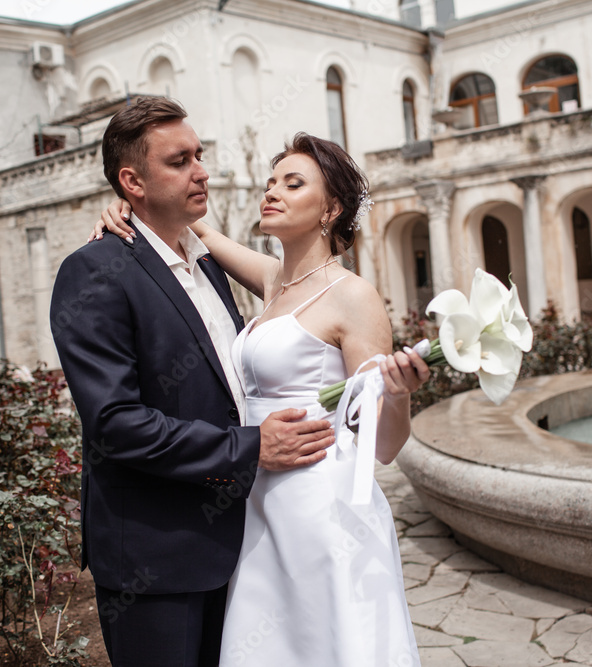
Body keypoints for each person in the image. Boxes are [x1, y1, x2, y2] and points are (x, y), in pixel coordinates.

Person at [93, 131, 429, 665]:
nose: (271, 192)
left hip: (320, 502)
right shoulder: (273, 280)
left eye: (293, 184)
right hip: (253, 497)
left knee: (323, 642)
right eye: (271, 182)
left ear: (331, 208)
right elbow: (185, 223)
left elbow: (382, 446)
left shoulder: (353, 296)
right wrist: (126, 206)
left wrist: (399, 396)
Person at [49, 98, 338, 667]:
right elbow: (116, 425)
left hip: (238, 547)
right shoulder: (95, 272)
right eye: (179, 161)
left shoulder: (206, 262)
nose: (201, 171)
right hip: (156, 562)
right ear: (132, 180)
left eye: (199, 155)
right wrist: (254, 448)